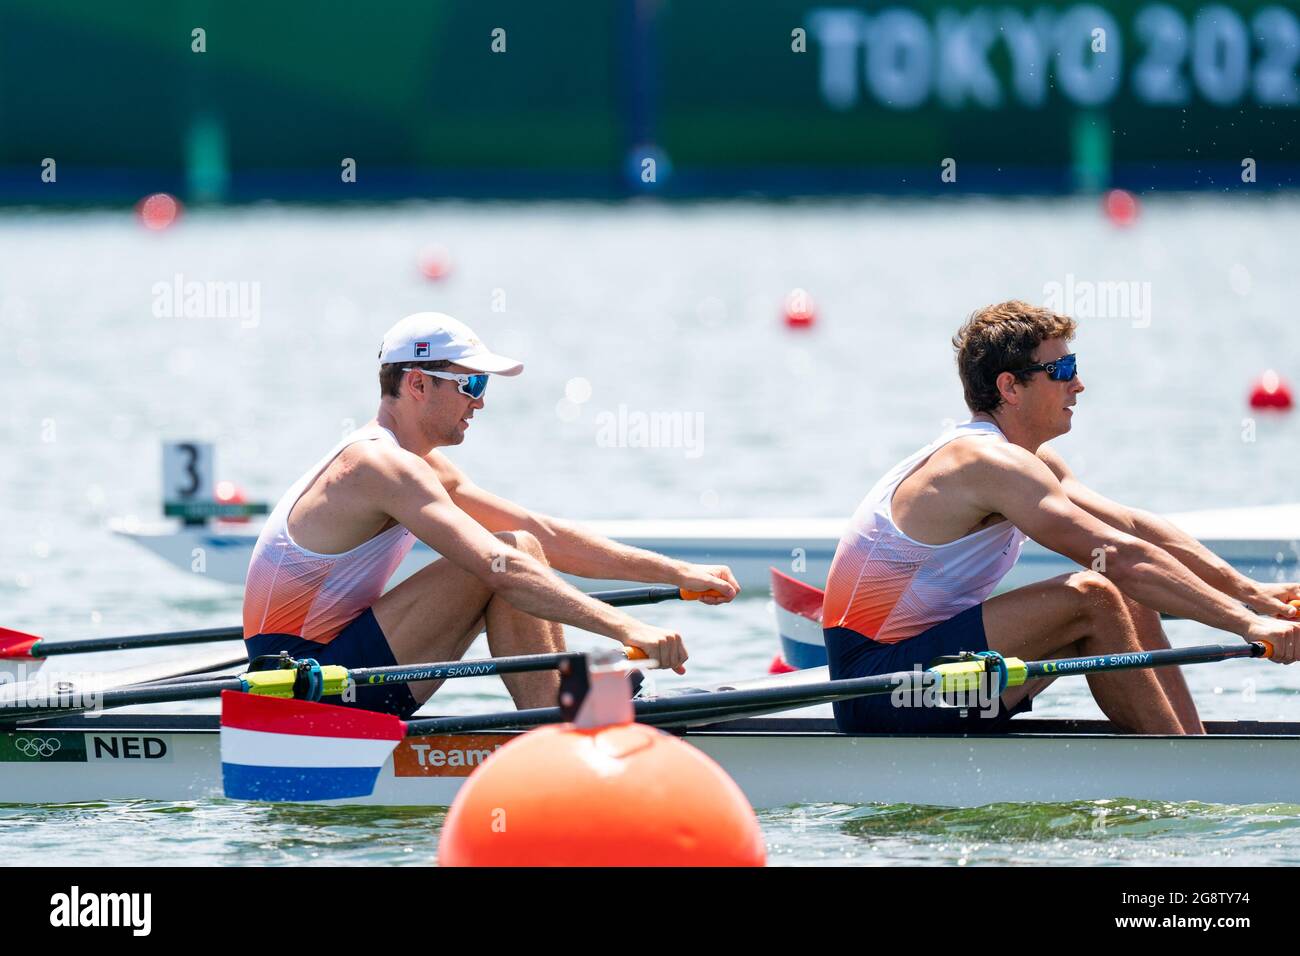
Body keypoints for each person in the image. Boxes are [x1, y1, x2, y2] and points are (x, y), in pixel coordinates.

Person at [822, 300, 1300, 734]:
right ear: (1009, 386)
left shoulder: (1029, 461)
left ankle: (1191, 748)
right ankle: (1185, 773)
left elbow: (1129, 529)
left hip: (935, 671)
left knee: (1128, 596)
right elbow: (1117, 556)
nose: (1079, 383)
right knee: (1093, 593)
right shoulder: (983, 463)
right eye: (1062, 368)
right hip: (876, 689)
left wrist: (1255, 595)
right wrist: (1247, 625)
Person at [243, 311, 738, 716]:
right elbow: (497, 567)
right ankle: (557, 722)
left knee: (519, 545)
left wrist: (677, 572)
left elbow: (542, 532)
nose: (479, 402)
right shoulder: (378, 465)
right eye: (471, 383)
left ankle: (556, 712)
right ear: (417, 384)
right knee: (505, 558)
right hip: (300, 686)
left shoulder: (417, 465)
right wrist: (626, 628)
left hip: (340, 669)